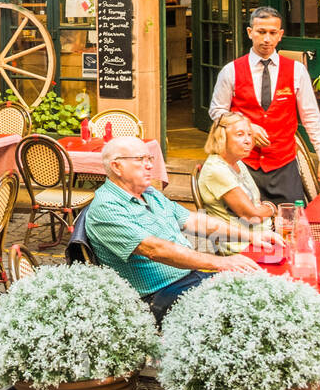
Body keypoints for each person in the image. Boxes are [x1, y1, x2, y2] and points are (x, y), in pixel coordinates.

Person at [85, 136, 281, 324]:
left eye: (150, 158)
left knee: (262, 288)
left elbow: (195, 221)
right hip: (158, 295)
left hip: (189, 278)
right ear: (117, 166)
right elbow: (156, 250)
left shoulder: (150, 194)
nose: (150, 165)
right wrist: (223, 262)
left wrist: (251, 235)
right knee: (248, 307)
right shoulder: (106, 207)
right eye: (140, 159)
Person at [209, 6, 320, 205]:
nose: (266, 39)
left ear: (280, 35)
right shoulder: (231, 71)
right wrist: (245, 126)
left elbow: (311, 117)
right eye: (261, 32)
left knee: (294, 220)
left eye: (272, 33)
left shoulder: (296, 71)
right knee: (248, 225)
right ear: (250, 33)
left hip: (283, 165)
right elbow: (216, 111)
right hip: (243, 164)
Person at [196, 113, 277, 253]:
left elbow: (255, 205)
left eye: (250, 134)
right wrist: (271, 208)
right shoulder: (216, 170)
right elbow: (252, 217)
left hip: (263, 234)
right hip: (241, 245)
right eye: (239, 135)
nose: (248, 141)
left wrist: (262, 211)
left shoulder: (237, 162)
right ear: (222, 137)